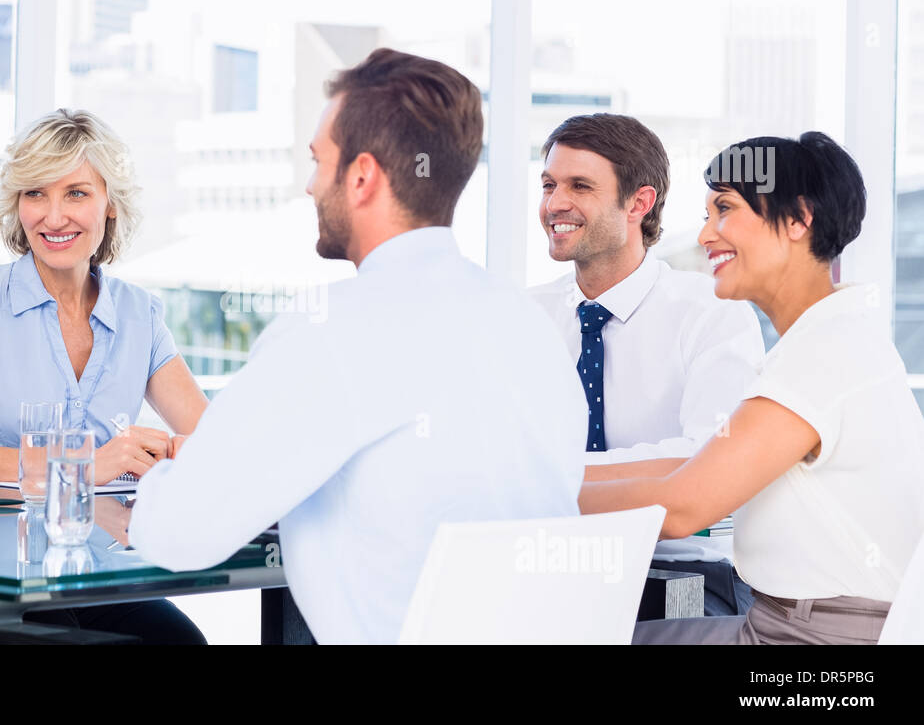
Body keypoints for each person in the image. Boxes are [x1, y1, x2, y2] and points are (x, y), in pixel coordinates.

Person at [127, 48, 586, 644]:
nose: (311, 183)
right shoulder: (529, 326)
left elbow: (177, 534)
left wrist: (158, 473)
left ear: (362, 175)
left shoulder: (329, 331)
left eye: (320, 161)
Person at [580, 132, 924, 644]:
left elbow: (684, 506)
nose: (704, 236)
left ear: (798, 219)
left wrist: (530, 496)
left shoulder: (825, 354)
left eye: (724, 209)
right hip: (781, 625)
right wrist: (547, 479)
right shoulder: (821, 340)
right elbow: (700, 465)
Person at [0, 108, 209, 644]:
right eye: (35, 194)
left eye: (76, 193)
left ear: (111, 205)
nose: (53, 217)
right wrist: (82, 467)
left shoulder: (139, 314)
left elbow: (210, 436)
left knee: (182, 644)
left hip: (95, 572)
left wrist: (175, 452)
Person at [529, 113, 764, 616]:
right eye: (548, 184)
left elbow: (707, 462)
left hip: (677, 573)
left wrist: (550, 481)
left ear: (639, 202)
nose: (554, 204)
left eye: (580, 186)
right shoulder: (524, 319)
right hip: (543, 563)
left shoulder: (711, 312)